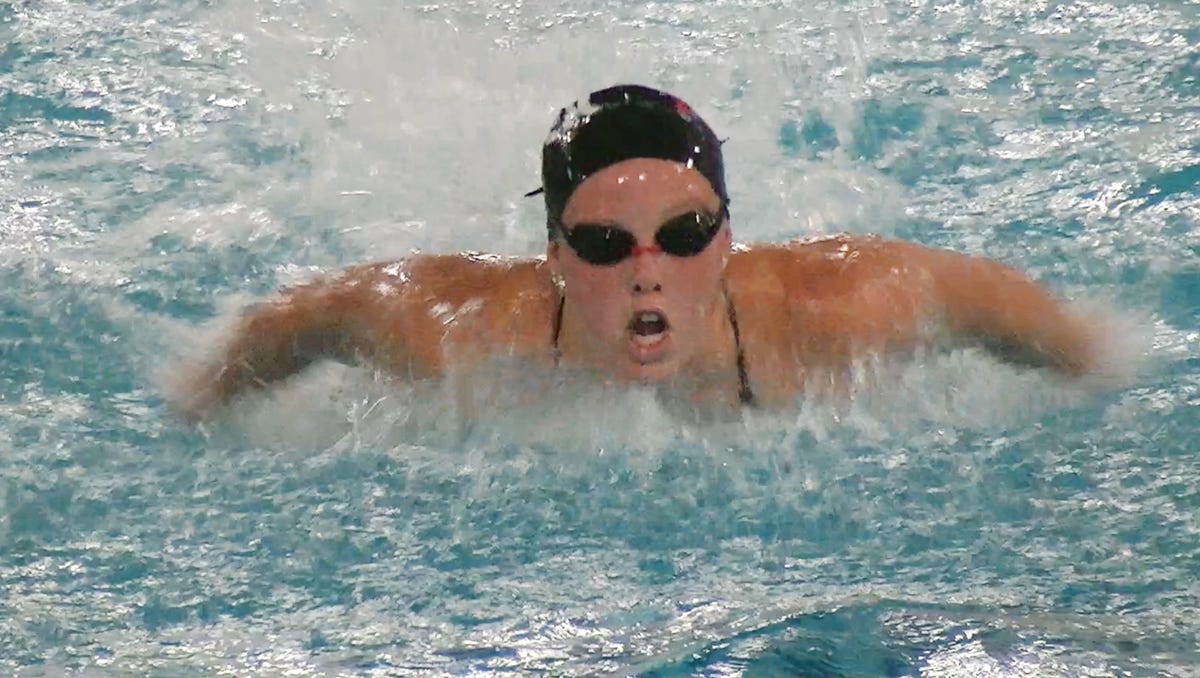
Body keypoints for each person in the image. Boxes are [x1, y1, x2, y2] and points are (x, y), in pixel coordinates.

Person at [172, 83, 1111, 421]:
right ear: (552, 257)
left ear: (729, 239)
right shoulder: (455, 333)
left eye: (687, 234)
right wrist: (196, 409)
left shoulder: (841, 308)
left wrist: (1102, 376)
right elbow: (300, 319)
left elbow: (1038, 324)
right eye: (605, 244)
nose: (647, 268)